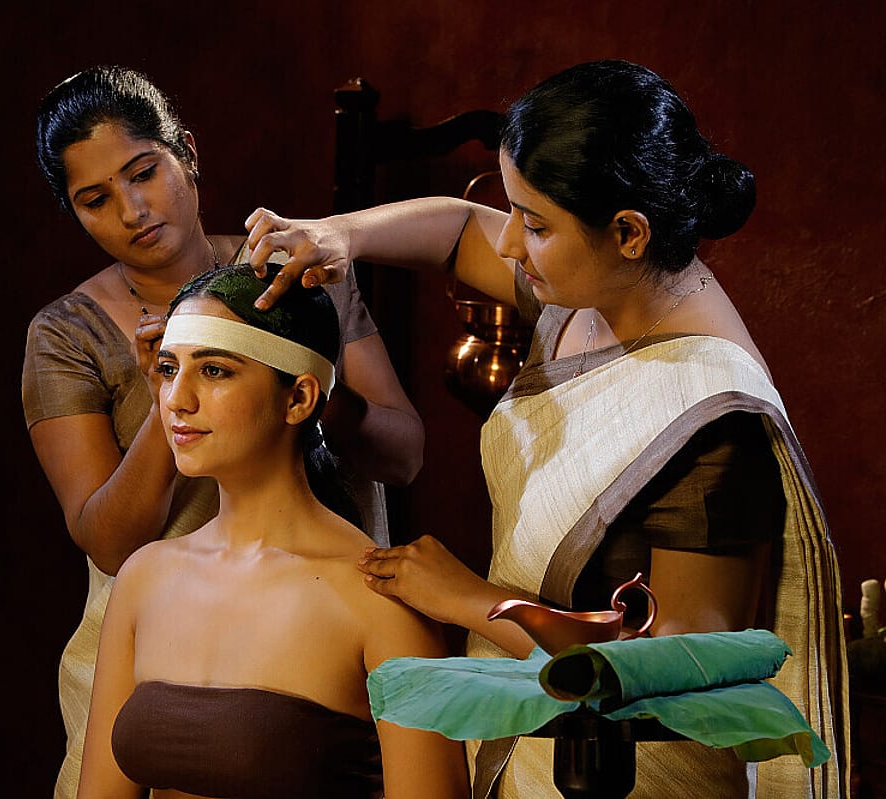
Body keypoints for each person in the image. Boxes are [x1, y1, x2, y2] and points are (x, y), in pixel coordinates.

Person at [243, 60, 848, 798]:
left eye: (534, 224)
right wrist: (341, 234)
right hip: (538, 739)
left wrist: (470, 599)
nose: (508, 245)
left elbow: (680, 671)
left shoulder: (708, 414)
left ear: (628, 231)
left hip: (641, 773)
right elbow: (462, 228)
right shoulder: (594, 290)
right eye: (515, 212)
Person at [23, 66, 423, 799]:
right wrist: (169, 384)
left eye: (144, 172)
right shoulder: (66, 335)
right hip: (158, 649)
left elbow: (402, 453)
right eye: (95, 200)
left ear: (187, 153)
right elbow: (112, 543)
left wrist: (298, 367)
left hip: (321, 636)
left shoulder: (302, 271)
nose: (133, 209)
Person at [78, 264, 468, 799]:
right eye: (169, 369)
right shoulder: (143, 578)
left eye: (214, 371)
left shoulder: (381, 598)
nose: (177, 400)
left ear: (299, 399)